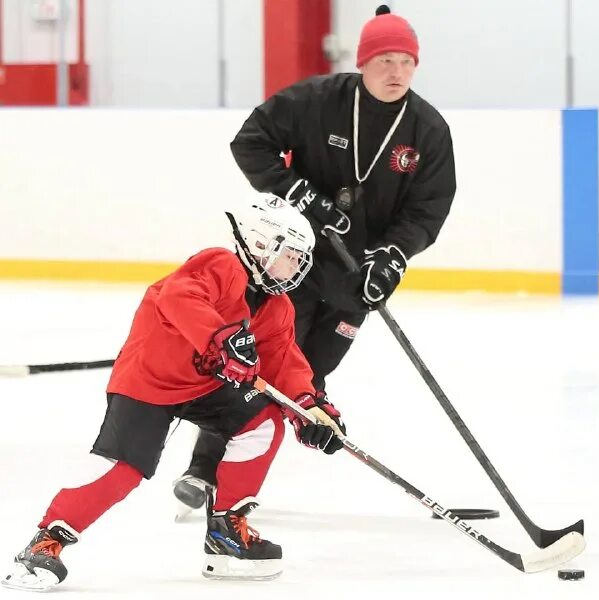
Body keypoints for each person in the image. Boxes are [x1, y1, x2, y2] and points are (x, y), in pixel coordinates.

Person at [173, 4, 456, 512]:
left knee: (309, 378)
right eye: (386, 60)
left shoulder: (427, 129)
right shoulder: (318, 100)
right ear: (363, 61)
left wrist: (392, 256)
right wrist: (299, 196)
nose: (397, 72)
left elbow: (428, 207)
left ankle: (241, 470)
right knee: (255, 367)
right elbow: (250, 143)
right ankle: (203, 470)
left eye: (407, 62)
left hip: (357, 278)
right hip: (290, 268)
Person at [2, 195, 347, 591]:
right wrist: (221, 338)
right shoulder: (219, 264)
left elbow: (284, 362)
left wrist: (310, 409)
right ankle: (45, 545)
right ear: (261, 243)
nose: (297, 266)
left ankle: (226, 533)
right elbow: (179, 296)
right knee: (123, 470)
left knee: (263, 422)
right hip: (150, 380)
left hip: (205, 387)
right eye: (291, 255)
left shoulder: (278, 306)